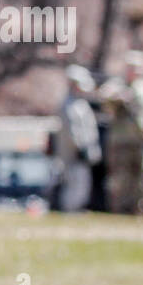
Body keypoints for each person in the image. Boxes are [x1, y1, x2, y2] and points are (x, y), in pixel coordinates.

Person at [101, 50, 143, 215]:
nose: (135, 71)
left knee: (142, 178)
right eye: (132, 67)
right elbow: (105, 101)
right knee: (121, 178)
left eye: (139, 67)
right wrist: (119, 97)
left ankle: (139, 210)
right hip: (121, 141)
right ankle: (119, 210)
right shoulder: (117, 85)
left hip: (142, 140)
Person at [54, 65, 101, 213]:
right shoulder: (68, 105)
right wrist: (80, 148)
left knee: (82, 184)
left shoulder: (80, 104)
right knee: (74, 185)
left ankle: (77, 209)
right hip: (74, 155)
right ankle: (70, 211)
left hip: (83, 154)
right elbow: (72, 132)